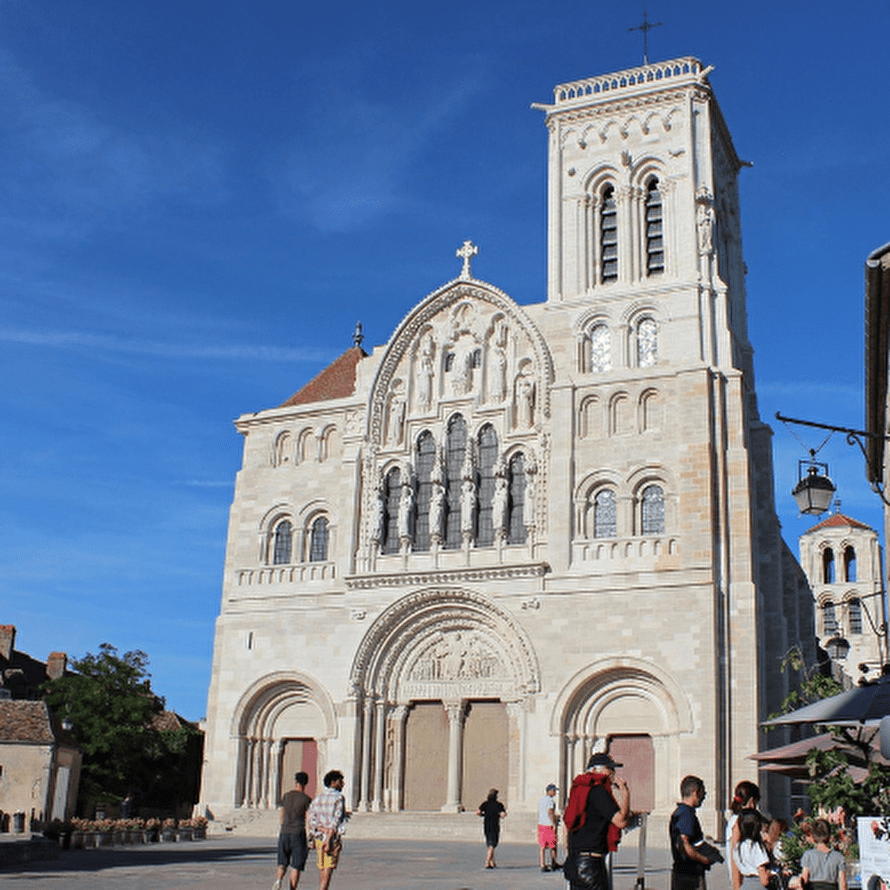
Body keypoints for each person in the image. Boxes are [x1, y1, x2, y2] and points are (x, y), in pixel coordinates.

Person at [562, 752, 630, 890]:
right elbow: (621, 822)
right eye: (609, 769)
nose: (612, 773)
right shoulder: (598, 791)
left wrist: (569, 852)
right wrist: (625, 793)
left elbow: (567, 825)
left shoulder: (579, 790)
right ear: (595, 770)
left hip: (575, 863)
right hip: (591, 867)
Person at [670, 775, 714, 890]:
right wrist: (704, 859)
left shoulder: (679, 812)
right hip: (690, 875)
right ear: (696, 793)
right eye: (703, 794)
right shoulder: (686, 814)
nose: (704, 797)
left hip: (681, 872)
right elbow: (683, 844)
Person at [306, 770, 347, 890]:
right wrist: (329, 837)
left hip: (319, 837)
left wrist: (321, 829)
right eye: (340, 781)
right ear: (333, 783)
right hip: (331, 839)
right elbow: (336, 820)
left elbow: (311, 818)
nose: (343, 784)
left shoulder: (318, 798)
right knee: (328, 869)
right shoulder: (338, 798)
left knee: (323, 868)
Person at [274, 771, 312, 890]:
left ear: (296, 782)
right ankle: (292, 888)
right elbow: (309, 818)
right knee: (296, 865)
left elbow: (282, 813)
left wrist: (283, 825)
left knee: (282, 862)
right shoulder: (306, 799)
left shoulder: (286, 796)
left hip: (284, 832)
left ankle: (278, 880)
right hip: (298, 832)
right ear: (306, 783)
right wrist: (311, 834)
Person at [727, 781, 763, 890]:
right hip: (746, 881)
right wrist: (737, 887)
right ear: (752, 801)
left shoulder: (737, 819)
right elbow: (735, 855)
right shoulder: (739, 822)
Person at [800, 819, 847, 890]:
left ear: (813, 836)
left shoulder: (808, 855)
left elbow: (805, 879)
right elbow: (842, 883)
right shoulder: (838, 857)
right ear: (829, 835)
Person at [734, 810, 772, 889]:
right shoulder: (756, 847)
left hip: (746, 884)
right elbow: (764, 880)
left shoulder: (738, 847)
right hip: (757, 885)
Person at [476, 788, 506, 869]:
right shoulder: (499, 805)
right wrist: (499, 815)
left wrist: (483, 814)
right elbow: (503, 814)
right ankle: (487, 862)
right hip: (494, 826)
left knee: (490, 844)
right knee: (492, 845)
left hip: (486, 825)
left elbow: (478, 812)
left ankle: (493, 863)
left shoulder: (485, 804)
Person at [538, 782, 560, 872]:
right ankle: (553, 863)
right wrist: (554, 823)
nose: (555, 793)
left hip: (541, 824)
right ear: (549, 791)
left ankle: (542, 864)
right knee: (553, 845)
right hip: (549, 825)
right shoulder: (550, 801)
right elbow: (550, 812)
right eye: (554, 791)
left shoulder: (541, 800)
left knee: (542, 846)